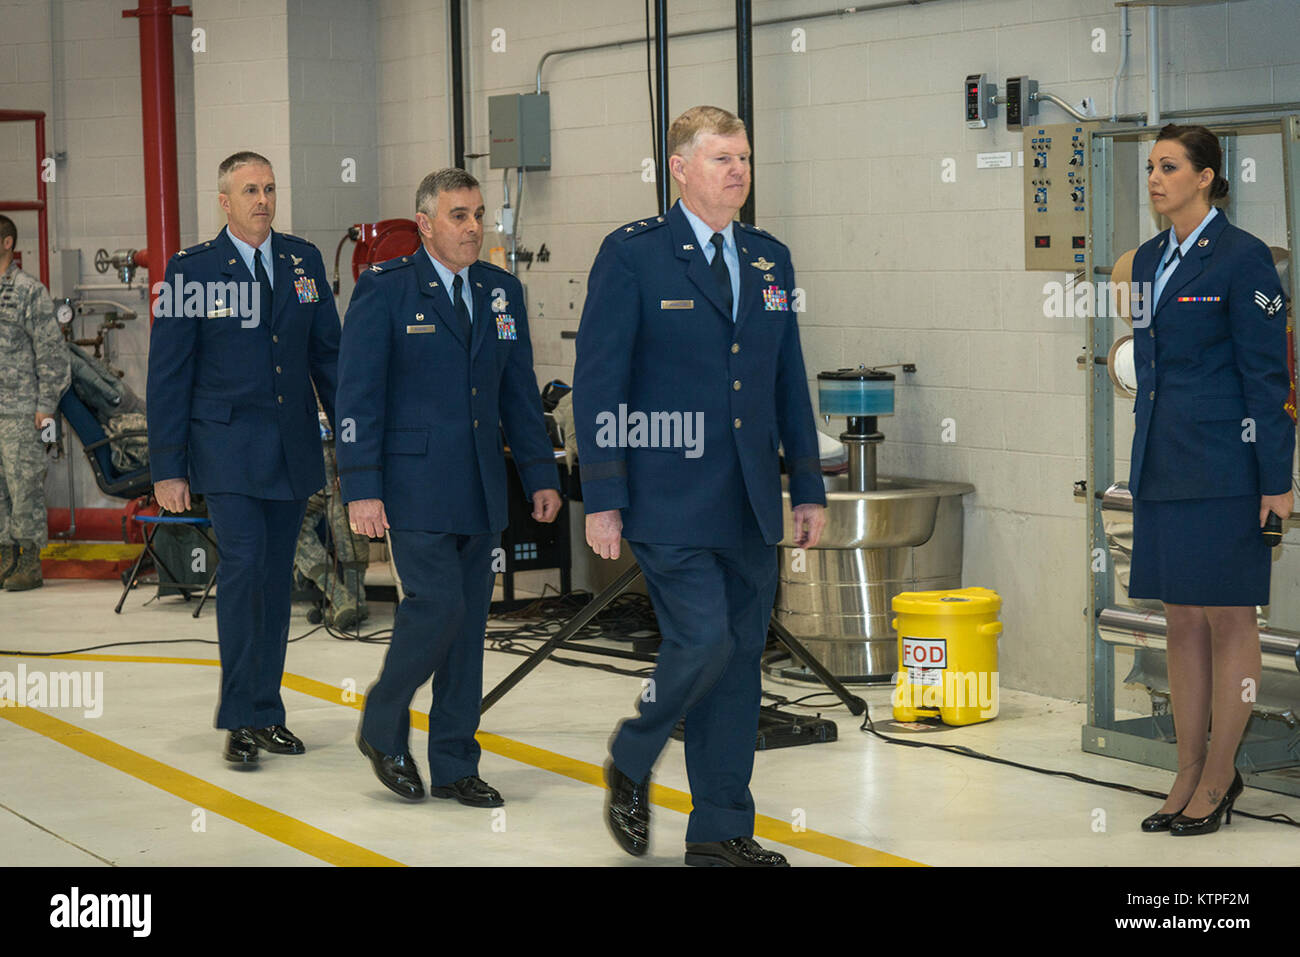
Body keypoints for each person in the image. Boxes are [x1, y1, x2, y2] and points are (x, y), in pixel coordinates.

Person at [574, 105, 828, 866]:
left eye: (744, 157)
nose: (738, 170)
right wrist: (606, 495)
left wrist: (806, 486)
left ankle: (719, 830)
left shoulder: (770, 258)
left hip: (749, 501)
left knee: (739, 659)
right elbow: (598, 383)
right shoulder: (635, 256)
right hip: (666, 496)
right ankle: (634, 745)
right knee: (704, 639)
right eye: (721, 158)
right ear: (679, 168)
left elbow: (787, 378)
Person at [337, 168, 561, 808]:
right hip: (412, 486)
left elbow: (519, 390)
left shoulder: (500, 292)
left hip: (482, 487)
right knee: (437, 609)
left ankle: (457, 762)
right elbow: (358, 396)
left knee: (467, 629)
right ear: (426, 224)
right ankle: (383, 720)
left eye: (478, 214)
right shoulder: (385, 290)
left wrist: (539, 475)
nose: (473, 227)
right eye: (459, 216)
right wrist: (361, 486)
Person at [146, 151, 340, 766]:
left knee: (276, 581)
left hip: (291, 450)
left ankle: (267, 709)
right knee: (245, 569)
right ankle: (239, 719)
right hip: (226, 451)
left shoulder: (302, 260)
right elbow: (169, 374)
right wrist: (167, 467)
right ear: (225, 201)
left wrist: (355, 439)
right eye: (250, 190)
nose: (263, 199)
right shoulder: (192, 270)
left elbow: (328, 358)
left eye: (270, 189)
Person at [1129, 124, 1294, 836]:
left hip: (1228, 465)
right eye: (1150, 167)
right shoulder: (1144, 263)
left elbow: (1271, 378)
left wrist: (1276, 482)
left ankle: (1223, 771)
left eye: (1169, 167)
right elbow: (1147, 363)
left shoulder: (1244, 258)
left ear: (1206, 176)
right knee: (1180, 619)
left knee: (1228, 618)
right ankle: (1186, 767)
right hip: (1163, 462)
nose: (1155, 178)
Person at [0, 214, 69, 592]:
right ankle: (4, 556)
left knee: (23, 486)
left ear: (8, 242)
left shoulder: (28, 290)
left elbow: (53, 355)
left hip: (22, 410)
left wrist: (45, 406)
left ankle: (28, 560)